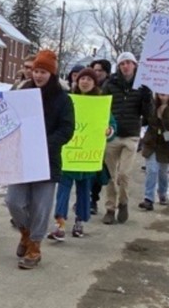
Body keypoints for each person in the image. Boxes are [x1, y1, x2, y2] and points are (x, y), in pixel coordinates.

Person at [6, 49, 74, 269]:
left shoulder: (63, 99)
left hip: (47, 160)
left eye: (43, 71)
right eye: (36, 70)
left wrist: (44, 144)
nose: (38, 75)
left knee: (41, 206)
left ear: (52, 74)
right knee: (14, 201)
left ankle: (34, 247)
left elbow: (67, 130)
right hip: (21, 158)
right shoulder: (22, 93)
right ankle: (25, 233)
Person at [49, 69, 108, 240]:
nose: (85, 82)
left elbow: (110, 122)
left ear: (95, 83)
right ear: (77, 81)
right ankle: (60, 224)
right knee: (63, 190)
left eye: (89, 79)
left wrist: (109, 130)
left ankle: (79, 222)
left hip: (87, 158)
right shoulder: (68, 100)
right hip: (68, 155)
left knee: (84, 191)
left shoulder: (100, 103)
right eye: (82, 78)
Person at [101, 51, 152, 225]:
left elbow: (148, 116)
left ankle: (123, 202)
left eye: (129, 63)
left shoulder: (142, 86)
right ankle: (110, 207)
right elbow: (101, 107)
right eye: (122, 63)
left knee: (124, 174)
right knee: (110, 174)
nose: (126, 66)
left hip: (131, 135)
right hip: (112, 135)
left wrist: (147, 99)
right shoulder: (110, 84)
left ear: (135, 65)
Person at [139, 92, 169, 210]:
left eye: (167, 92)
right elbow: (144, 120)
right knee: (151, 170)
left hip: (167, 144)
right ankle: (148, 198)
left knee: (163, 171)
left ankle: (162, 193)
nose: (162, 95)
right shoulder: (151, 106)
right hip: (152, 142)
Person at [88, 60, 113, 213]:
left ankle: (93, 198)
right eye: (94, 70)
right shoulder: (84, 88)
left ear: (106, 73)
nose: (96, 73)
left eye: (99, 71)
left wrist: (110, 128)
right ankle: (88, 199)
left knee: (98, 167)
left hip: (102, 132)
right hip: (86, 133)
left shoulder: (109, 88)